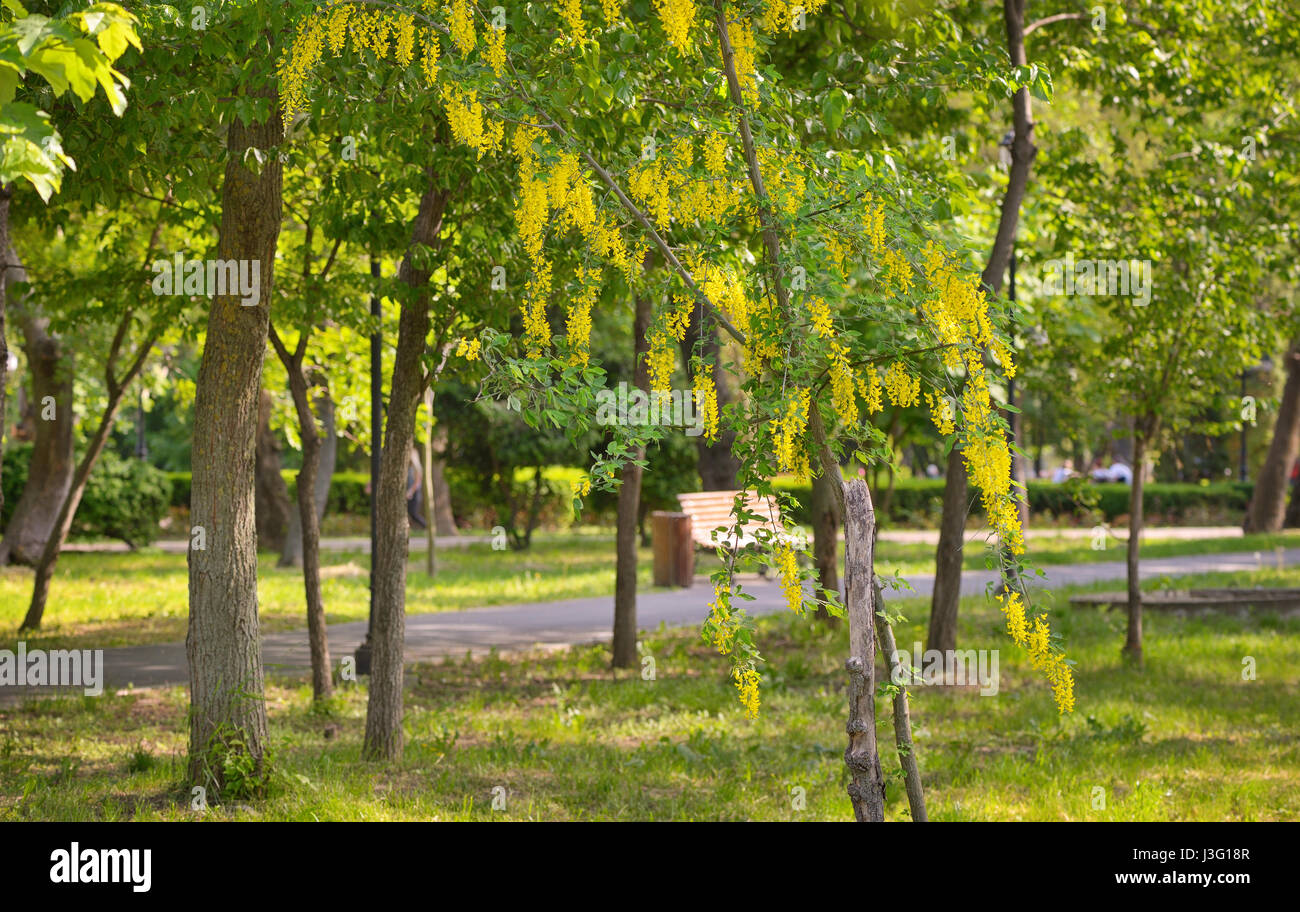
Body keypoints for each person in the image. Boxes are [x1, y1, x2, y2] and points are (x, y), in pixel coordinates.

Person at [406, 445, 427, 529]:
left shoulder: (417, 468)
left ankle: (426, 526)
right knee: (408, 512)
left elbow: (417, 482)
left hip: (415, 493)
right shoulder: (409, 467)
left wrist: (410, 491)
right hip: (409, 493)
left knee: (413, 513)